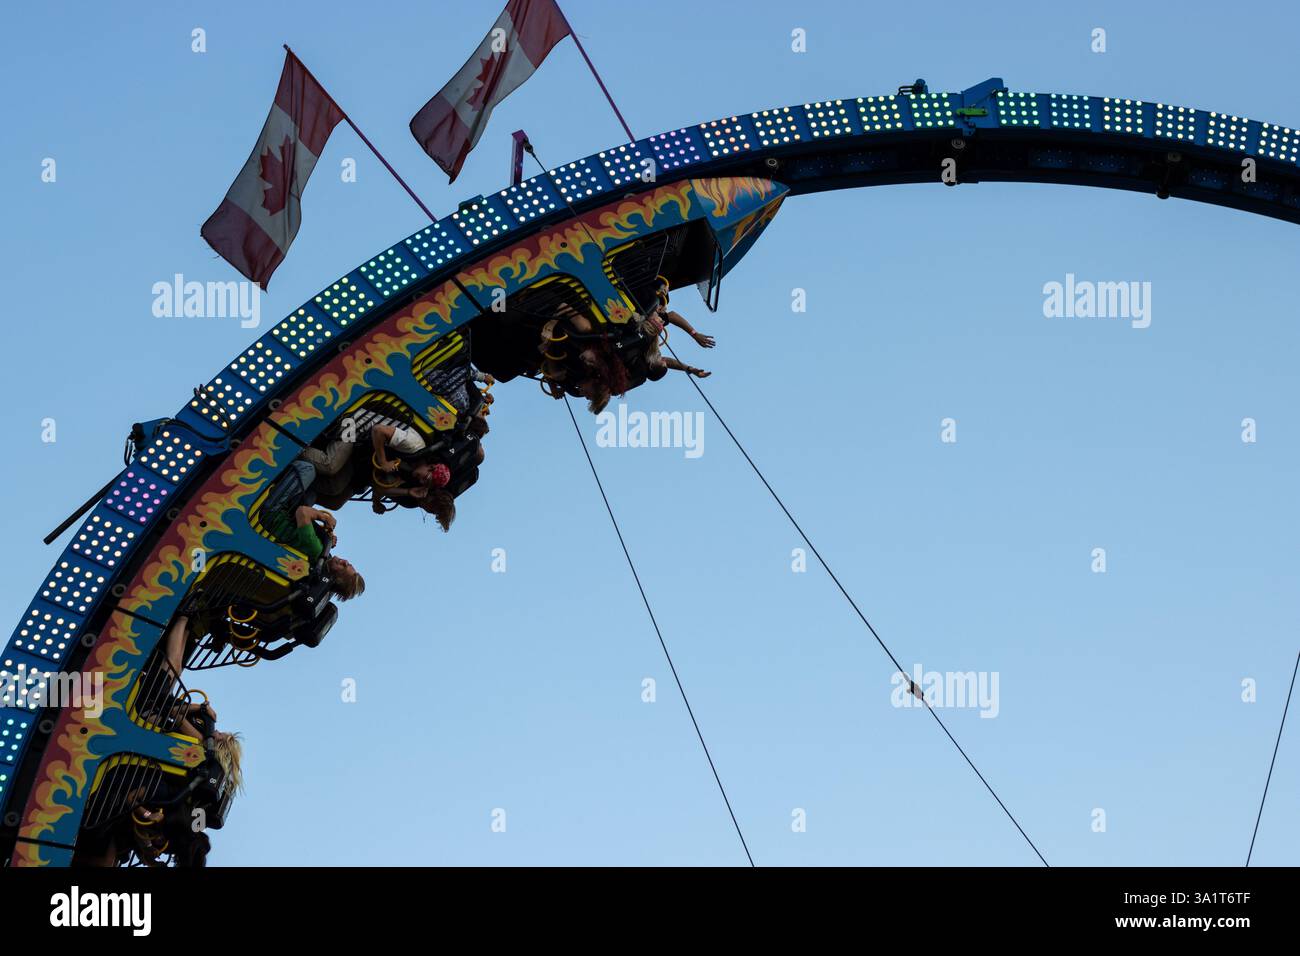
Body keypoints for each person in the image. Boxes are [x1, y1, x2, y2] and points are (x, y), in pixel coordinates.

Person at [259, 459, 366, 601]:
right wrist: (325, 534)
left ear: (334, 578)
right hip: (284, 515)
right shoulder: (322, 556)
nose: (345, 562)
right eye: (349, 564)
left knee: (306, 468)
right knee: (313, 494)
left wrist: (324, 517)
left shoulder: (316, 550)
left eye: (344, 568)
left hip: (272, 513)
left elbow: (302, 512)